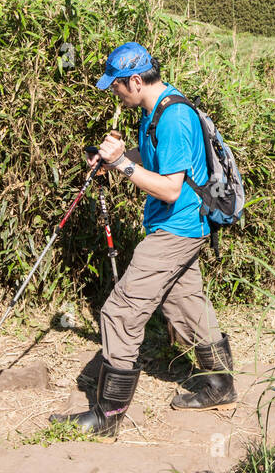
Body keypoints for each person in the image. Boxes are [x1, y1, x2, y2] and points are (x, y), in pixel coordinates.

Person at [49, 41, 237, 438]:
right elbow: (157, 160)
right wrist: (113, 158)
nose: (114, 93)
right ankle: (220, 384)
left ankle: (107, 414)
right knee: (185, 307)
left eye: (116, 85)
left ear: (135, 80)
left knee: (119, 312)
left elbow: (169, 189)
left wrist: (120, 163)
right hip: (178, 227)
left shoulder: (173, 117)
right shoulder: (154, 111)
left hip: (177, 228)